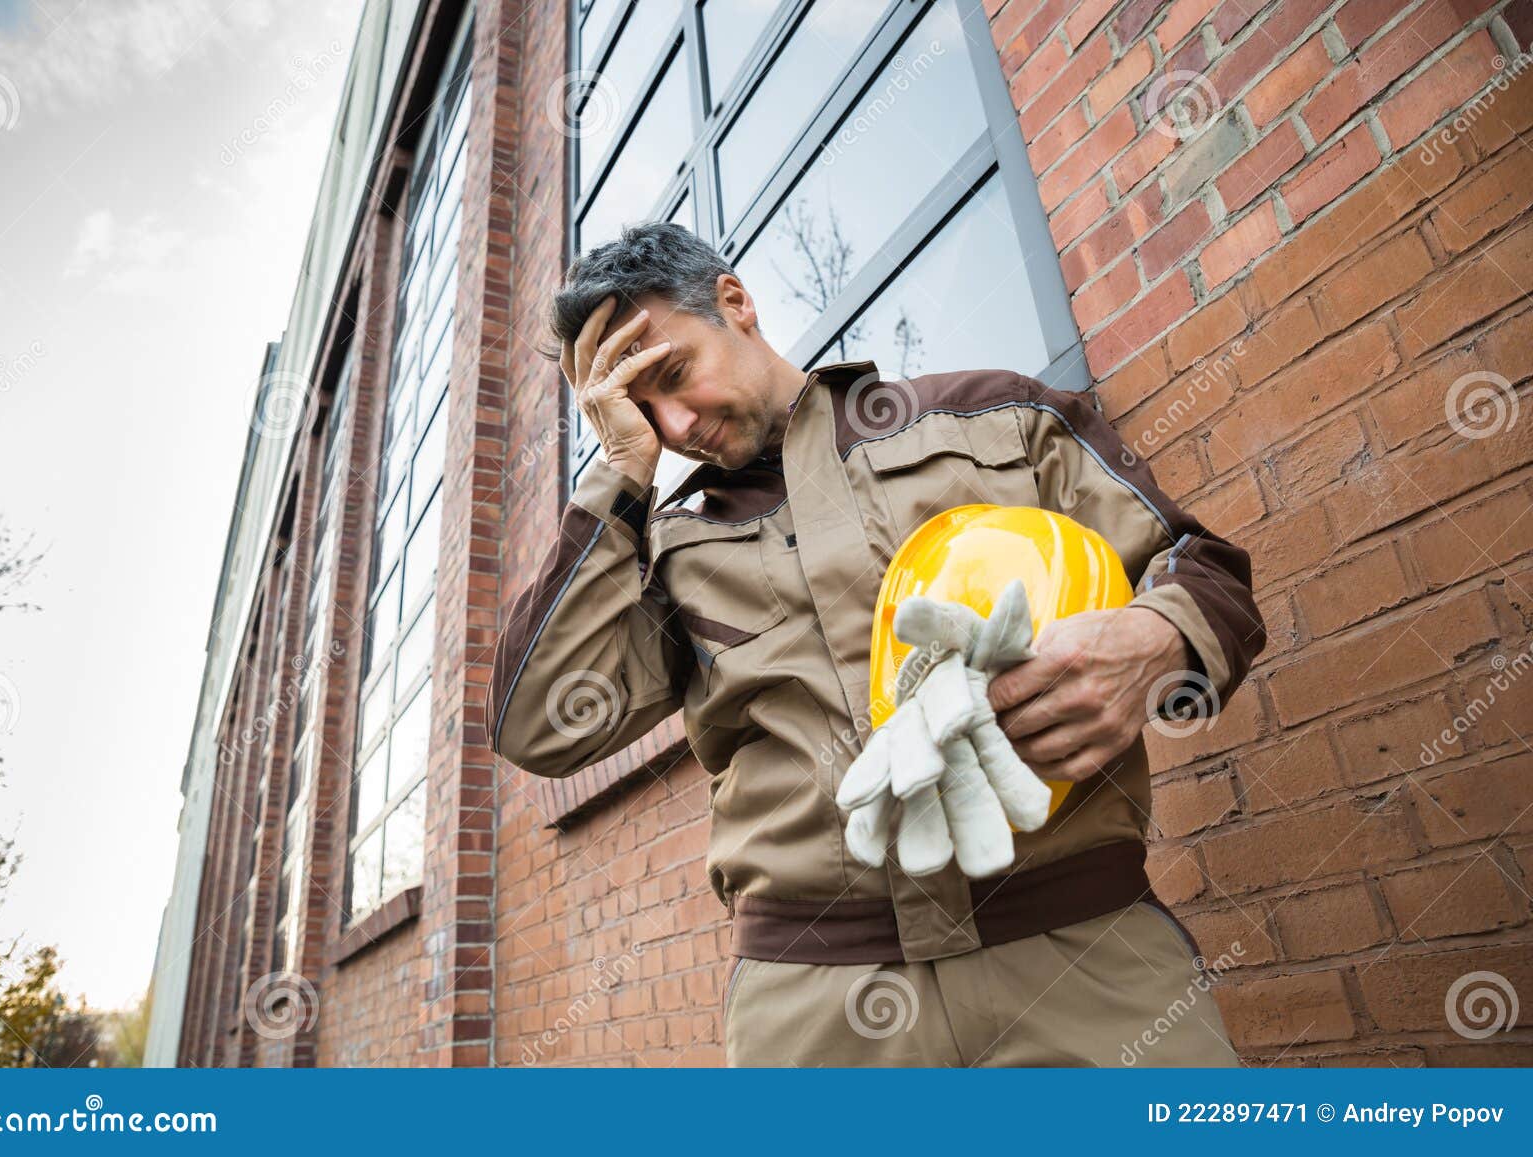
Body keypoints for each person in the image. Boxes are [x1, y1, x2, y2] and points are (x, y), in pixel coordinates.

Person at [484, 222, 1266, 1066]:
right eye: (641, 413)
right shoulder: (667, 555)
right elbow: (537, 726)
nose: (674, 425)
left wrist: (1157, 640)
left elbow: (1202, 567)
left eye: (674, 375)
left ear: (735, 303)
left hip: (1086, 958)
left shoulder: (998, 417)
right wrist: (616, 473)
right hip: (817, 1010)